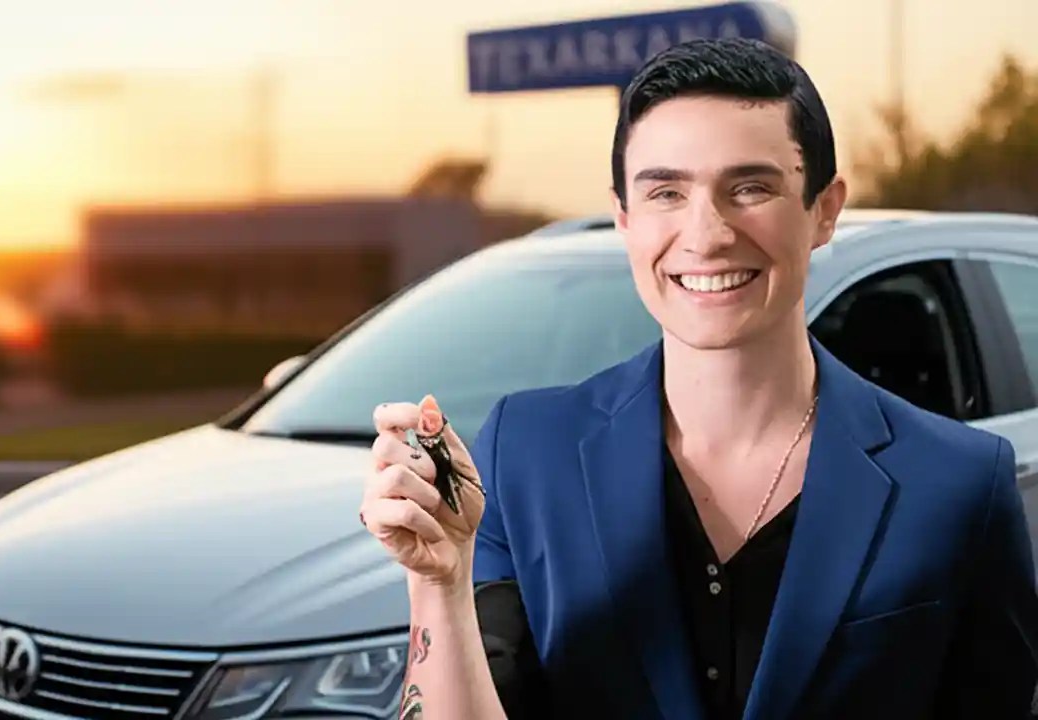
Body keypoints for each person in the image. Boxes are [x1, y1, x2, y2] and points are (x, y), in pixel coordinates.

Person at [359, 38, 1038, 719]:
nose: (706, 232)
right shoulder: (527, 453)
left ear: (824, 210)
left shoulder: (959, 485)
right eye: (666, 192)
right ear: (624, 217)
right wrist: (437, 582)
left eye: (750, 188)